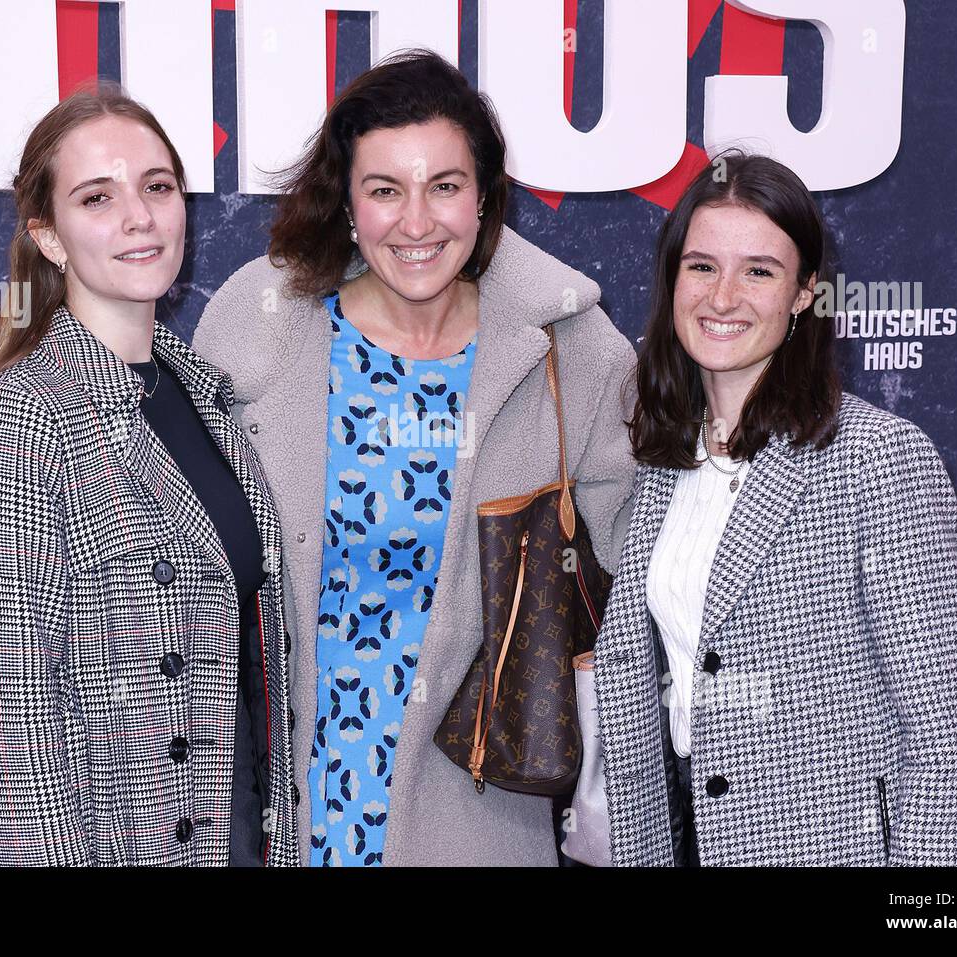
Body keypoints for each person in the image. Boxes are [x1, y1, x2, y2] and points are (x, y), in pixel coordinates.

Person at [193, 50, 638, 866]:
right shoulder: (258, 328)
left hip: (478, 811)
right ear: (349, 204)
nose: (417, 221)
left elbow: (635, 572)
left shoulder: (567, 352)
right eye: (385, 189)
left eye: (445, 185)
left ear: (483, 197)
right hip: (296, 808)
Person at [0, 84, 298, 866]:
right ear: (48, 236)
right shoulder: (19, 418)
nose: (139, 216)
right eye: (96, 197)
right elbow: (9, 721)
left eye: (157, 186)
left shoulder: (207, 398)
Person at [593, 151, 957, 866]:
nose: (724, 297)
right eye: (702, 266)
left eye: (760, 271)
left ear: (805, 292)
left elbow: (949, 733)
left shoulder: (878, 458)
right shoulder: (661, 459)